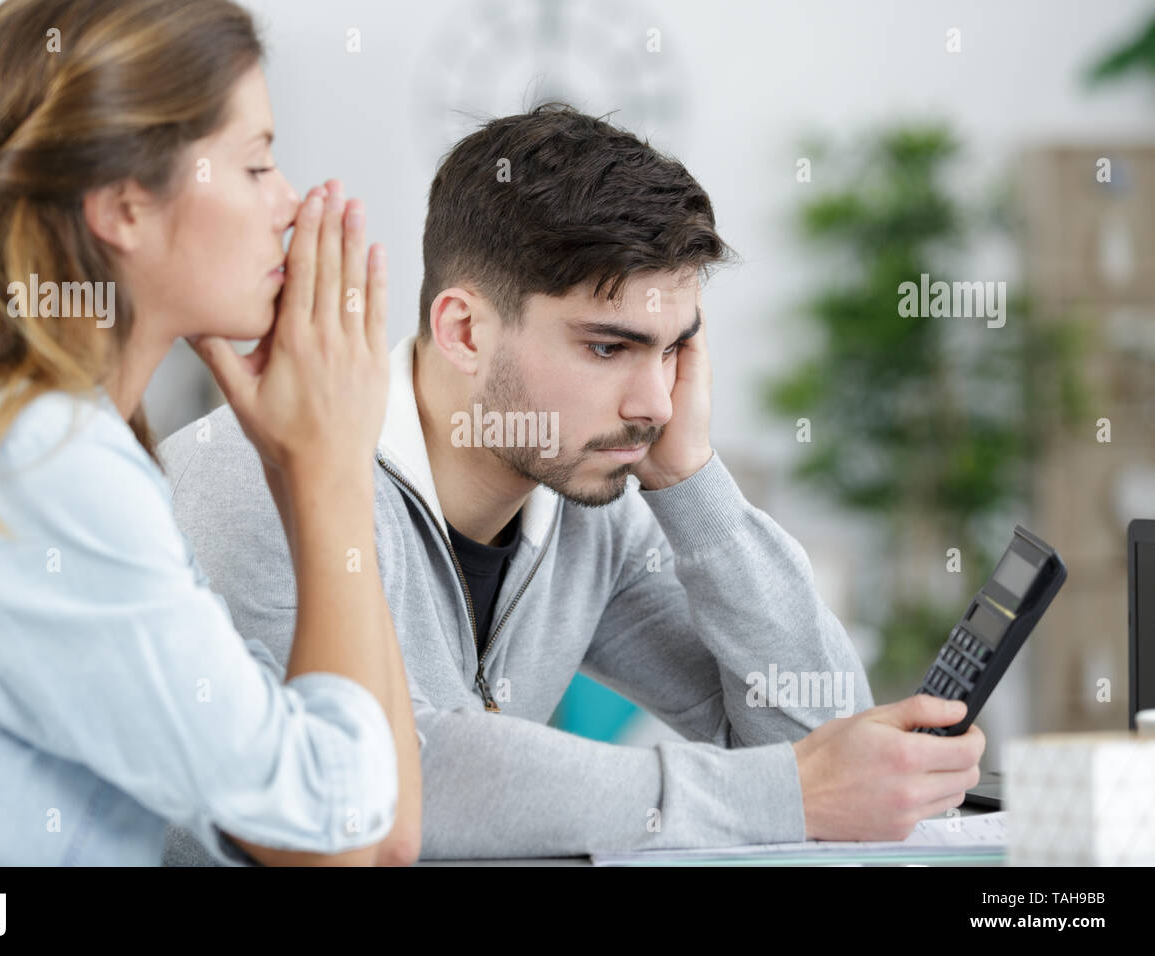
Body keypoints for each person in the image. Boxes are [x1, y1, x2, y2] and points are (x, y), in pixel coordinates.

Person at [160, 103, 984, 862]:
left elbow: (813, 734)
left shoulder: (589, 505)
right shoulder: (260, 474)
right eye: (608, 347)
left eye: (673, 350)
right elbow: (395, 778)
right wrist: (793, 788)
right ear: (464, 330)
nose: (656, 403)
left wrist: (691, 482)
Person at [0, 0, 419, 866]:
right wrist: (330, 471)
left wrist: (310, 472)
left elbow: (377, 833)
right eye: (258, 163)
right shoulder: (42, 464)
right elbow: (333, 839)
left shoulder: (55, 443)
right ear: (123, 208)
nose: (291, 203)